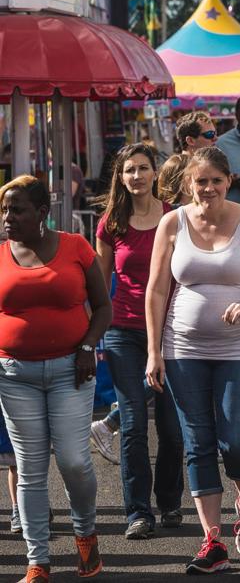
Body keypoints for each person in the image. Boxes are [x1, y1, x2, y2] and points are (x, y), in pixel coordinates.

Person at [144, 147, 240, 573]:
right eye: (200, 181)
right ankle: (212, 541)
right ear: (188, 183)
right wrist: (154, 351)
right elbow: (156, 290)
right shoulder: (172, 223)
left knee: (235, 440)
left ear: (228, 181)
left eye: (215, 180)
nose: (207, 188)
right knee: (198, 442)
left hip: (238, 350)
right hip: (182, 347)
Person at [0, 175, 112, 583]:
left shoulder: (75, 248)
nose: (8, 218)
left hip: (71, 370)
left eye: (17, 210)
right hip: (14, 375)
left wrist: (86, 348)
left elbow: (102, 307)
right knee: (29, 469)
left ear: (42, 213)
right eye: (5, 210)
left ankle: (86, 536)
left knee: (73, 460)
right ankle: (38, 562)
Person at [92, 144, 184, 540]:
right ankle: (138, 512)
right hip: (123, 332)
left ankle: (169, 501)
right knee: (132, 422)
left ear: (155, 173)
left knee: (170, 425)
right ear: (121, 176)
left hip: (171, 329)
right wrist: (92, 333)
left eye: (144, 169)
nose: (137, 176)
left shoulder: (174, 217)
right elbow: (99, 281)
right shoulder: (111, 221)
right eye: (130, 170)